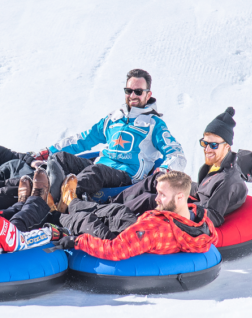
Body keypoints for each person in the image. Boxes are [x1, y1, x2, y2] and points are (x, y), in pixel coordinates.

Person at [32, 69, 186, 212]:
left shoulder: (153, 124)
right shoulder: (113, 118)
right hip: (100, 166)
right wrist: (50, 151)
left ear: (148, 94)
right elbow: (84, 139)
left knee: (95, 171)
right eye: (129, 91)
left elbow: (176, 153)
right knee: (60, 158)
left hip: (126, 175)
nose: (132, 96)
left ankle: (63, 205)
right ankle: (41, 196)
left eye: (138, 92)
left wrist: (165, 169)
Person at [112, 107, 250, 227]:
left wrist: (184, 209)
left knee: (150, 199)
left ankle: (114, 219)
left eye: (213, 145)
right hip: (195, 200)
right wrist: (180, 181)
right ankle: (110, 205)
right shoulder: (217, 164)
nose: (207, 149)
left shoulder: (228, 180)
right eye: (204, 143)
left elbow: (213, 216)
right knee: (159, 178)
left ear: (227, 147)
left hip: (194, 210)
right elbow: (204, 190)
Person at [57, 171, 217, 261]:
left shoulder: (154, 229)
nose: (157, 198)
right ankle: (73, 204)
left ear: (180, 197)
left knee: (88, 221)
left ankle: (55, 214)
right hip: (141, 232)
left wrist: (77, 241)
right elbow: (213, 238)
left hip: (125, 242)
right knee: (117, 211)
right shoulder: (200, 218)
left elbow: (114, 251)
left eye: (162, 195)